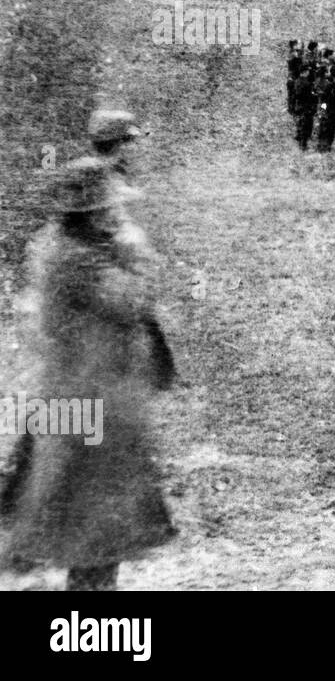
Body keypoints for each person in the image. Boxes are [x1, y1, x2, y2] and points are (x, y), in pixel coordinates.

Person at [1, 159, 176, 590]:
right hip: (92, 404)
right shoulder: (80, 259)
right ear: (94, 212)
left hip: (74, 395)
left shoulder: (59, 244)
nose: (115, 214)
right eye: (109, 208)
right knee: (96, 525)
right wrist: (135, 248)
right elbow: (132, 301)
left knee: (73, 513)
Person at [314, 68, 335, 153]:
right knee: (329, 128)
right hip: (330, 110)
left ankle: (322, 145)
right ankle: (326, 145)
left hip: (326, 108)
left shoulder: (324, 84)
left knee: (324, 126)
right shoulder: (331, 86)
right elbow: (333, 98)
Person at [292, 68, 316, 152]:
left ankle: (298, 136)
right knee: (306, 126)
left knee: (299, 122)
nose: (309, 73)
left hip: (298, 105)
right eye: (308, 71)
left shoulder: (296, 81)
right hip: (306, 107)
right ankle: (303, 145)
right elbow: (310, 97)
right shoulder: (307, 83)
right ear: (305, 72)